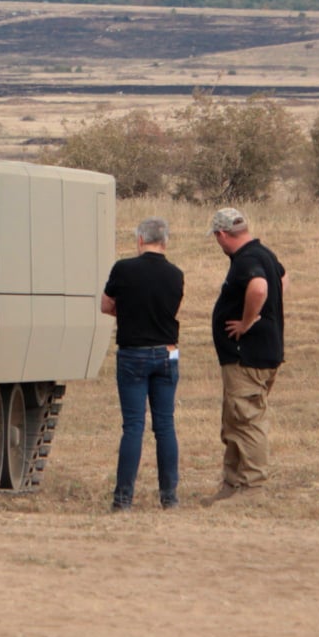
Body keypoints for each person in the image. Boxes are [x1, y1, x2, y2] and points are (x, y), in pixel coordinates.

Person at [101, 217, 184, 510]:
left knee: (133, 426)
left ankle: (123, 498)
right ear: (165, 241)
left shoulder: (123, 269)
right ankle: (169, 496)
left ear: (139, 240)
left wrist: (129, 314)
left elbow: (105, 304)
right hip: (165, 353)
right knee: (165, 425)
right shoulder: (176, 274)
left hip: (132, 353)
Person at [207, 207, 287, 501]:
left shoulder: (247, 261)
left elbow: (260, 287)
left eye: (217, 237)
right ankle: (232, 485)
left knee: (248, 419)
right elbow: (282, 279)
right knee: (235, 420)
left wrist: (247, 320)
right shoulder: (263, 253)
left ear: (223, 234)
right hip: (258, 354)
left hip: (247, 357)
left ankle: (252, 487)